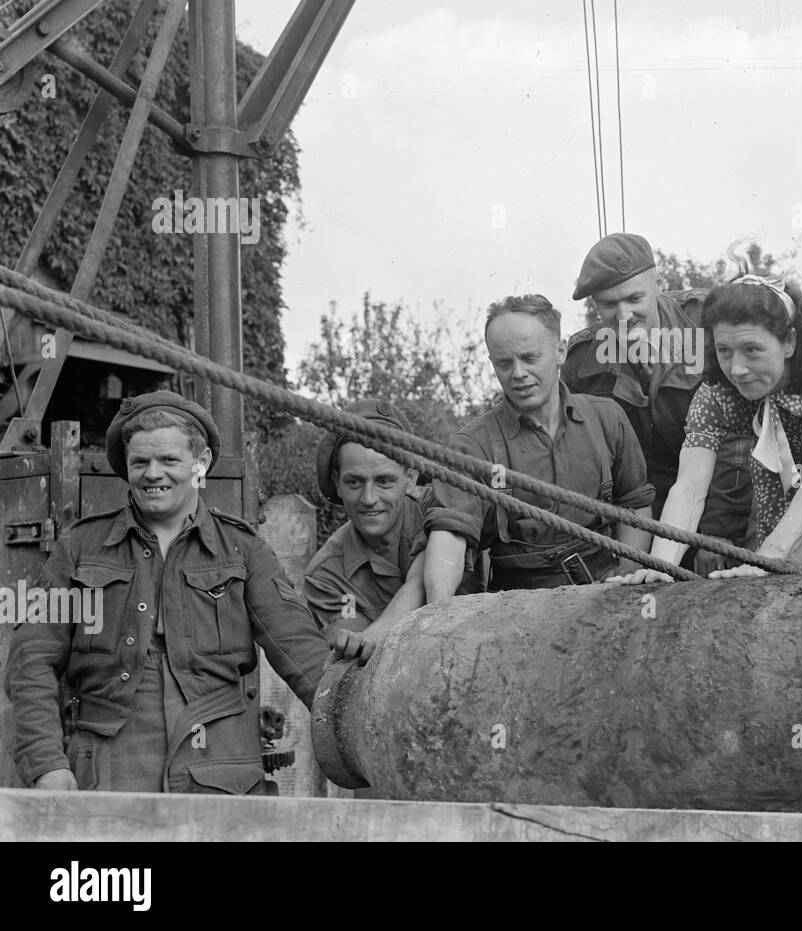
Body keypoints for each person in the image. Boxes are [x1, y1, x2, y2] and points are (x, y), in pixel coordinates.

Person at [6, 392, 332, 793]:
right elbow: (30, 661)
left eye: (169, 461)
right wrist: (46, 765)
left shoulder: (243, 551)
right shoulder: (78, 547)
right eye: (140, 462)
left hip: (220, 778)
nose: (152, 473)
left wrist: (354, 728)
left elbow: (303, 655)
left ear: (202, 464)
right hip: (109, 778)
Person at [348, 295, 656, 660]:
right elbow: (449, 533)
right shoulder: (472, 445)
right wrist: (441, 613)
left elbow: (634, 505)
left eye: (530, 358)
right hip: (520, 620)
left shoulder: (608, 419)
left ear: (560, 351)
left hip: (608, 597)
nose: (518, 374)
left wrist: (627, 582)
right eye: (504, 363)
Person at [611, 272, 802, 584]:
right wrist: (660, 566)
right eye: (724, 351)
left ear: (789, 341)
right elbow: (690, 487)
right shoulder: (716, 392)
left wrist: (771, 555)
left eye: (752, 350)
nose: (737, 369)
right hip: (787, 497)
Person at [563, 233, 753, 573]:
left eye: (635, 297)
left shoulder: (707, 324)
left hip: (728, 500)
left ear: (658, 282)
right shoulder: (581, 364)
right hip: (646, 520)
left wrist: (719, 531)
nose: (624, 315)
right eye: (608, 304)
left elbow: (739, 436)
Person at [301, 399, 438, 662]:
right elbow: (363, 656)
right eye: (354, 482)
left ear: (410, 479)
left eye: (384, 481)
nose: (368, 498)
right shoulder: (326, 577)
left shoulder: (438, 513)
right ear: (337, 484)